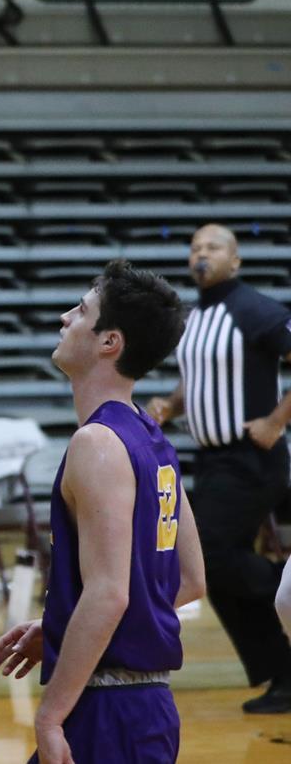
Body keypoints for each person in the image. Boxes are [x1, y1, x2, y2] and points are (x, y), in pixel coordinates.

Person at [0, 261, 203, 764]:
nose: (65, 318)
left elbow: (109, 594)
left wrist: (49, 716)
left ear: (110, 341)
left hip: (108, 712)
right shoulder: (150, 436)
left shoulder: (98, 443)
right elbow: (190, 578)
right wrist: (69, 626)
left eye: (82, 311)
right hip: (142, 709)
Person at [145, 223, 291, 713]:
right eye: (194, 248)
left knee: (207, 556)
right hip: (211, 460)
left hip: (251, 459)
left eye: (212, 247)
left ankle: (284, 582)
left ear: (236, 260)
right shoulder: (195, 317)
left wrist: (275, 420)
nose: (200, 254)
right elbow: (199, 376)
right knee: (214, 575)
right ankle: (283, 676)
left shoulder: (255, 310)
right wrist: (171, 405)